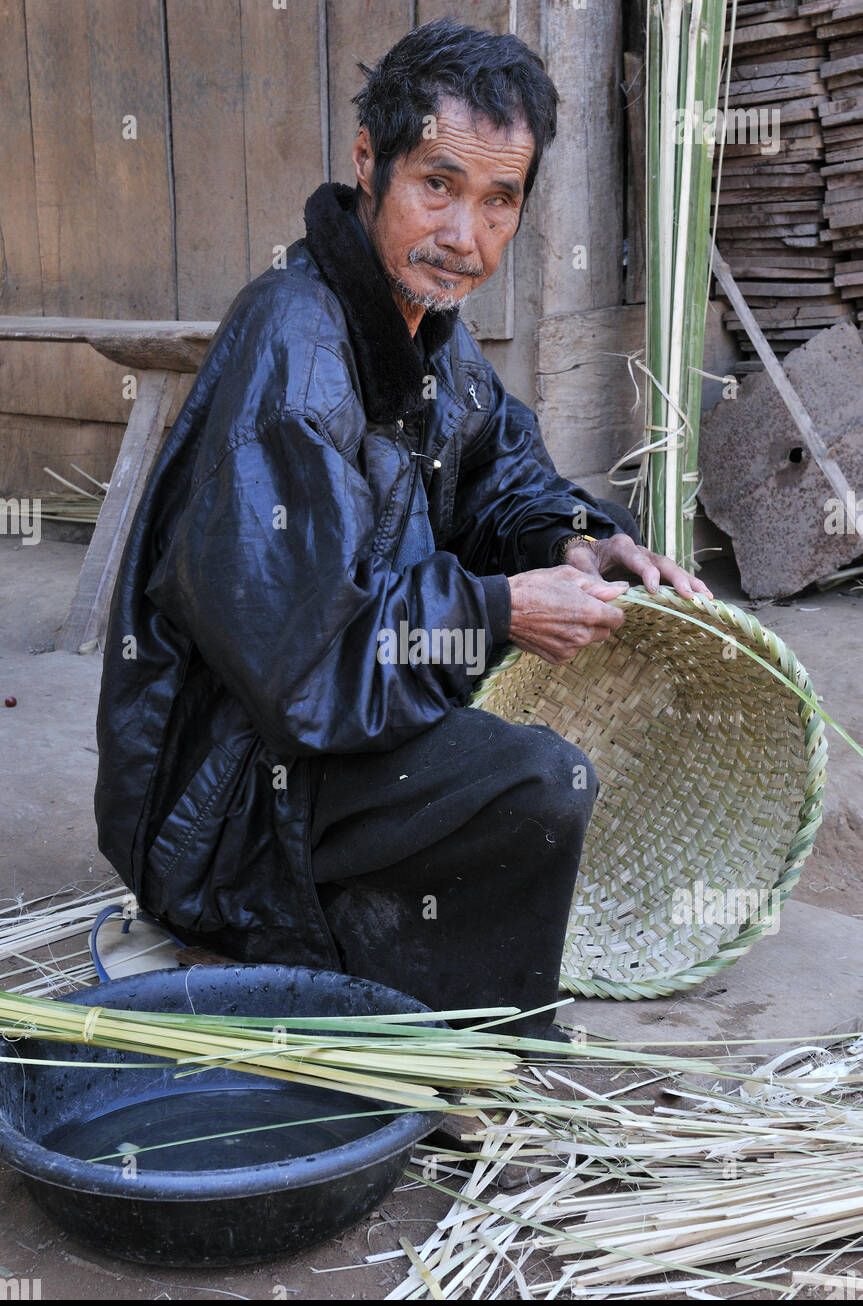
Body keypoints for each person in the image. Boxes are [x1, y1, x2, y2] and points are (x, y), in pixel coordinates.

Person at [94, 19, 710, 1040]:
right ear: (368, 166)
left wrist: (573, 539)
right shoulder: (293, 345)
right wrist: (498, 608)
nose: (464, 236)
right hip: (222, 802)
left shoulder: (428, 339)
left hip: (315, 737)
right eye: (437, 184)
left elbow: (502, 470)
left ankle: (377, 942)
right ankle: (463, 1053)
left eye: (498, 200)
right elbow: (309, 670)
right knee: (540, 781)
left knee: (516, 705)